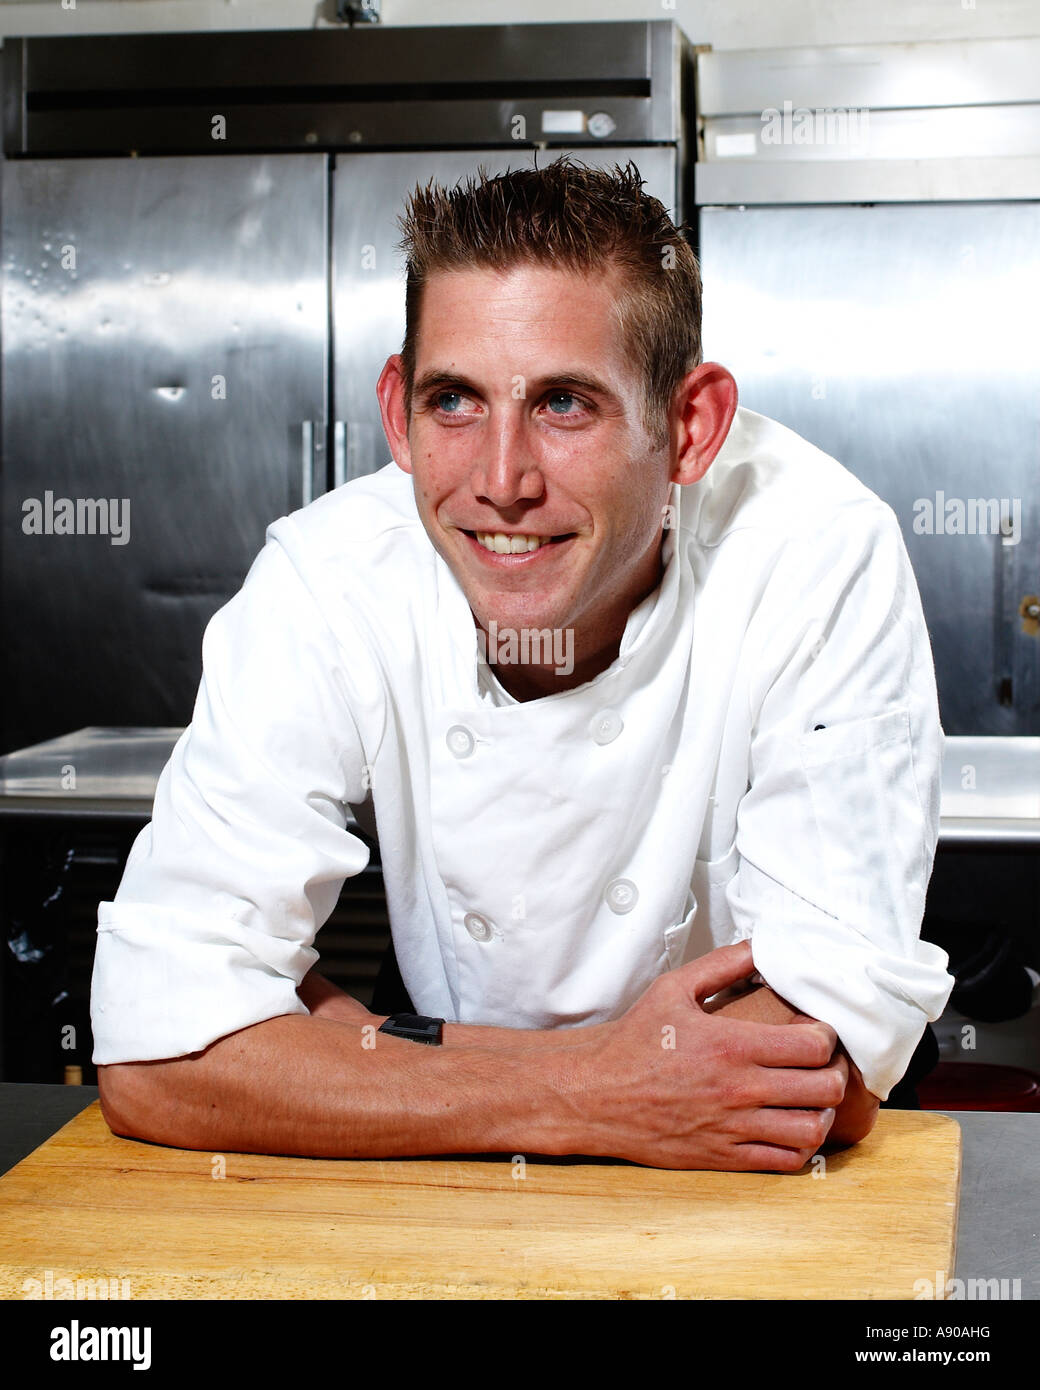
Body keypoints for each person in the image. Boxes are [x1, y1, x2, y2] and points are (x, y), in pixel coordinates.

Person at [91, 159, 953, 1172]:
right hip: (456, 1186)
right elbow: (159, 1052)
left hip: (733, 1211)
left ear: (688, 426)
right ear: (394, 411)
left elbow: (824, 1062)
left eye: (563, 405)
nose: (500, 482)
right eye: (452, 400)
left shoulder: (813, 549)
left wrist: (361, 1055)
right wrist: (591, 1090)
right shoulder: (329, 577)